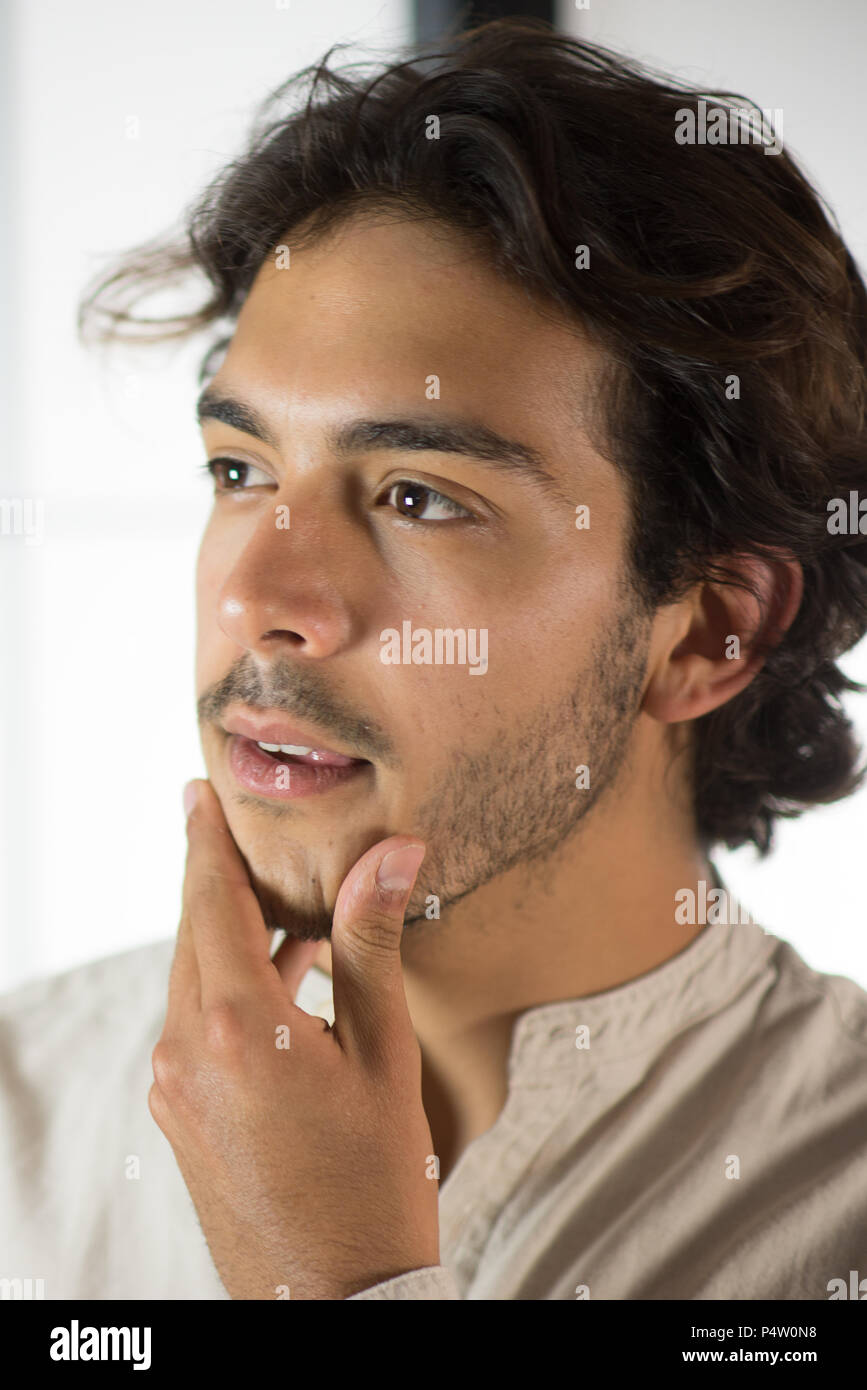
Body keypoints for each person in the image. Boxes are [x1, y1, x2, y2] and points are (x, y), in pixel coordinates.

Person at [2, 19, 866, 1301]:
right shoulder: (28, 1117)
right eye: (242, 471)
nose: (257, 597)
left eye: (418, 496)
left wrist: (336, 1280)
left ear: (706, 631)